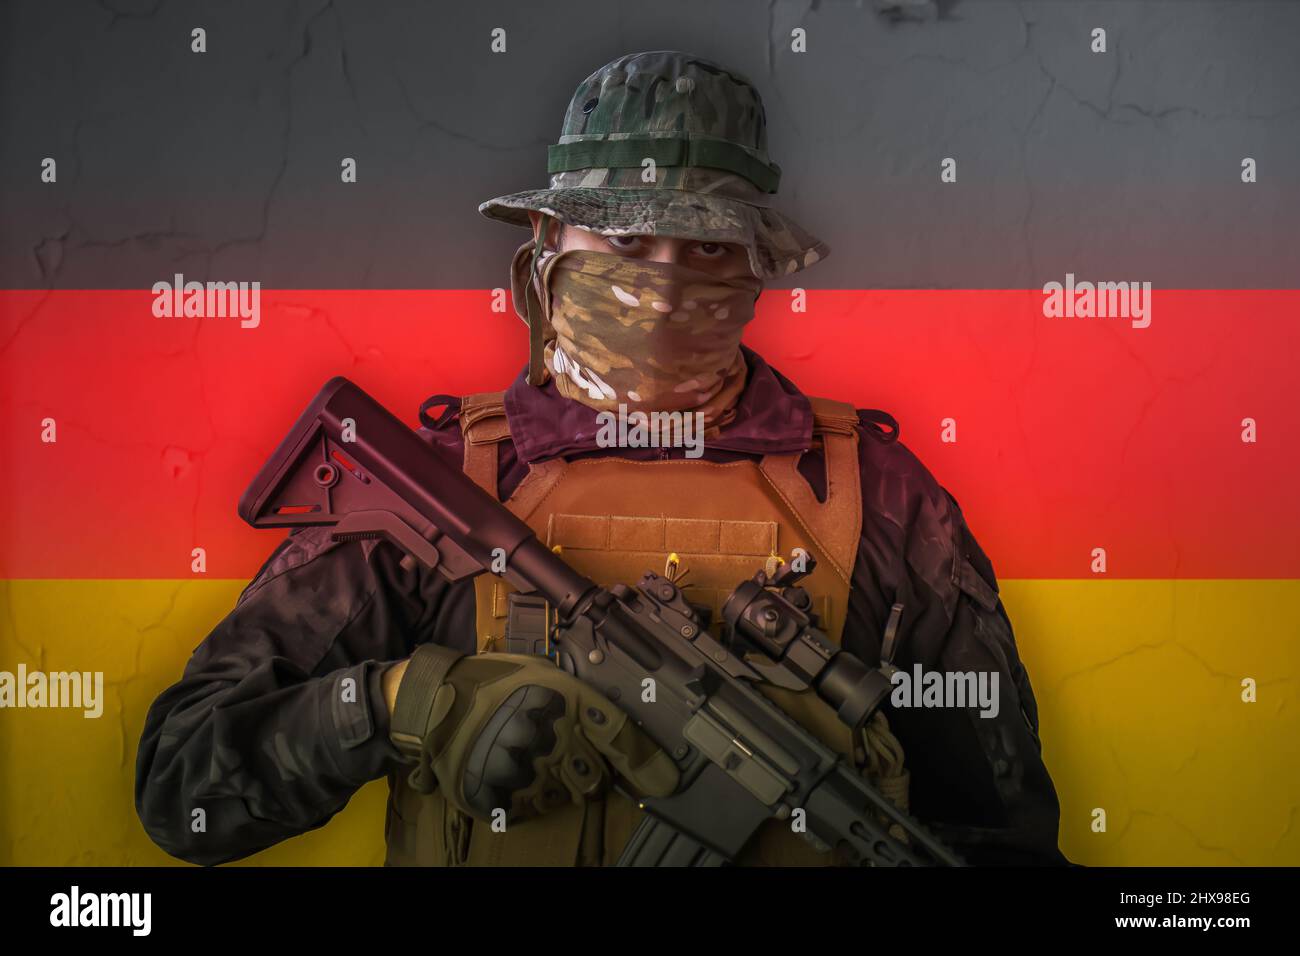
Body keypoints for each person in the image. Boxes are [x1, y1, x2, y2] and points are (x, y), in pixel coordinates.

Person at [136, 50, 1066, 866]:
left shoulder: (878, 495)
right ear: (546, 250)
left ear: (753, 266)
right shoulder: (444, 484)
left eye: (705, 246)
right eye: (624, 240)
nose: (662, 286)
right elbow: (187, 789)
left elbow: (998, 833)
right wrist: (400, 705)